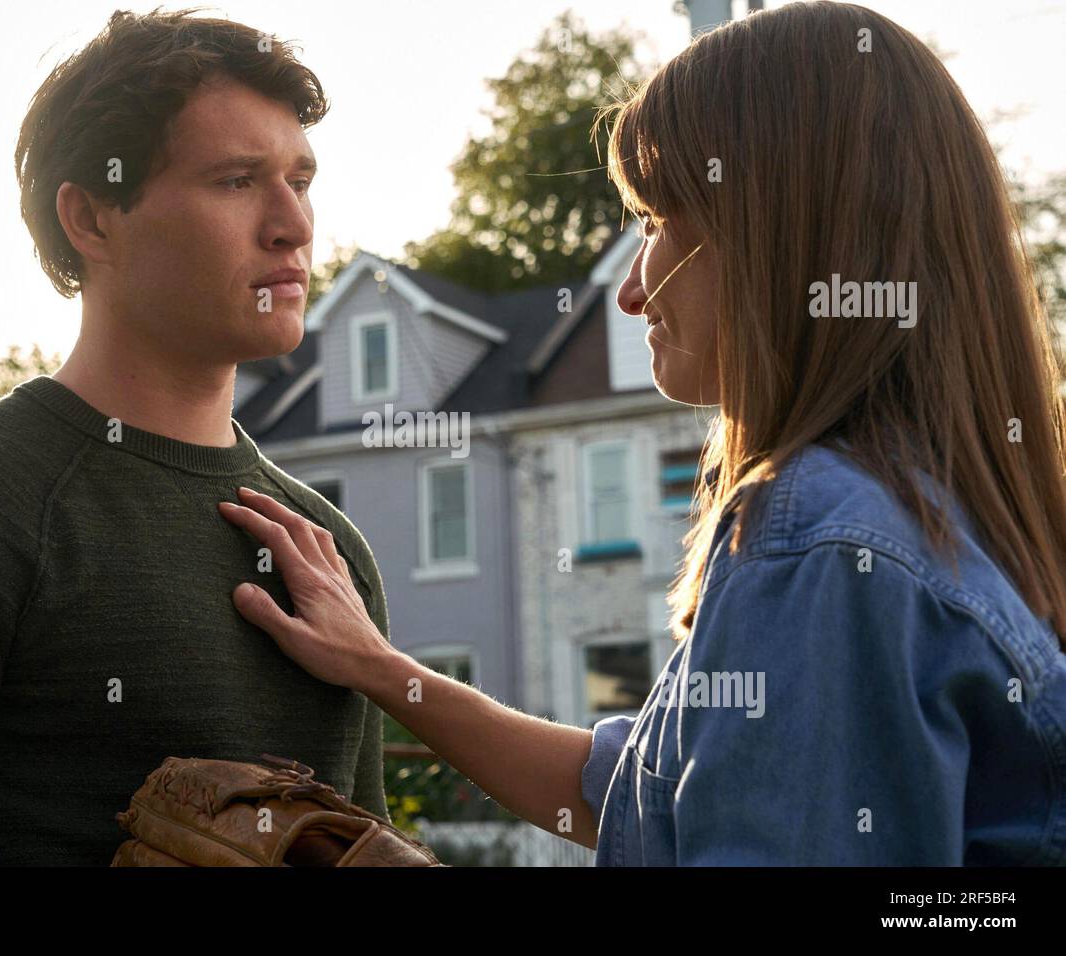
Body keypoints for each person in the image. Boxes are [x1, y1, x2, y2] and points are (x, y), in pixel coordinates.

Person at [219, 1, 1066, 865]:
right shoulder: (941, 517)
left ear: (777, 232)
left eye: (659, 224)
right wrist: (377, 666)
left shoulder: (822, 538)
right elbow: (642, 795)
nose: (631, 291)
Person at [0, 9, 392, 865]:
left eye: (302, 179)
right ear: (92, 219)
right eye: (237, 180)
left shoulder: (328, 552)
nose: (294, 224)